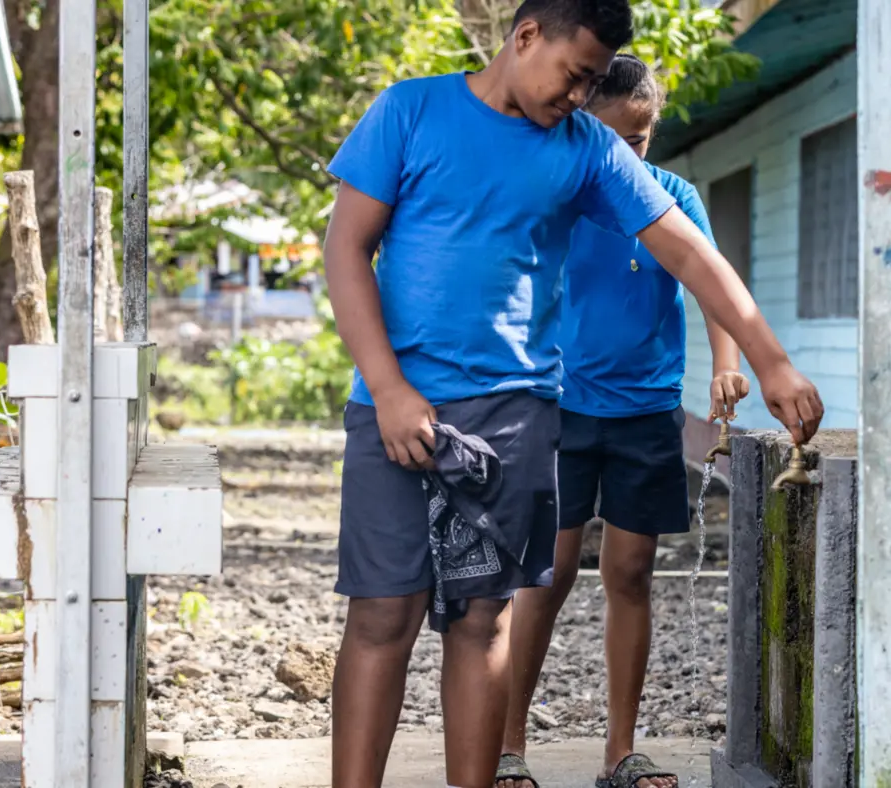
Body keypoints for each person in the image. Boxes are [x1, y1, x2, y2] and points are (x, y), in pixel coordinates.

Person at [320, 1, 824, 786]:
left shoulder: (586, 148)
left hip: (513, 419)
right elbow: (346, 248)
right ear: (525, 37)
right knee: (384, 616)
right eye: (573, 76)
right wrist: (386, 386)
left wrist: (772, 361)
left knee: (482, 620)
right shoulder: (410, 112)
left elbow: (690, 256)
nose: (578, 97)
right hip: (392, 409)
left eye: (592, 83)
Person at [498, 54, 744, 788]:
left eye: (645, 137)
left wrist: (726, 364)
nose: (633, 152)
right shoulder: (559, 198)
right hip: (560, 410)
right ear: (582, 124)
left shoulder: (672, 198)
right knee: (547, 572)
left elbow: (710, 283)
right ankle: (509, 747)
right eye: (620, 136)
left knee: (630, 573)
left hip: (645, 412)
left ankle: (621, 751)